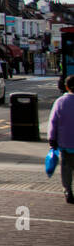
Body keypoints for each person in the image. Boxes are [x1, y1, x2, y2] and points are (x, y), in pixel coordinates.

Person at [48, 76, 74, 204]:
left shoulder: (60, 102)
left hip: (65, 144)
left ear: (67, 86)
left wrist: (52, 139)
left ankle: (68, 191)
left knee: (66, 169)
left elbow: (53, 122)